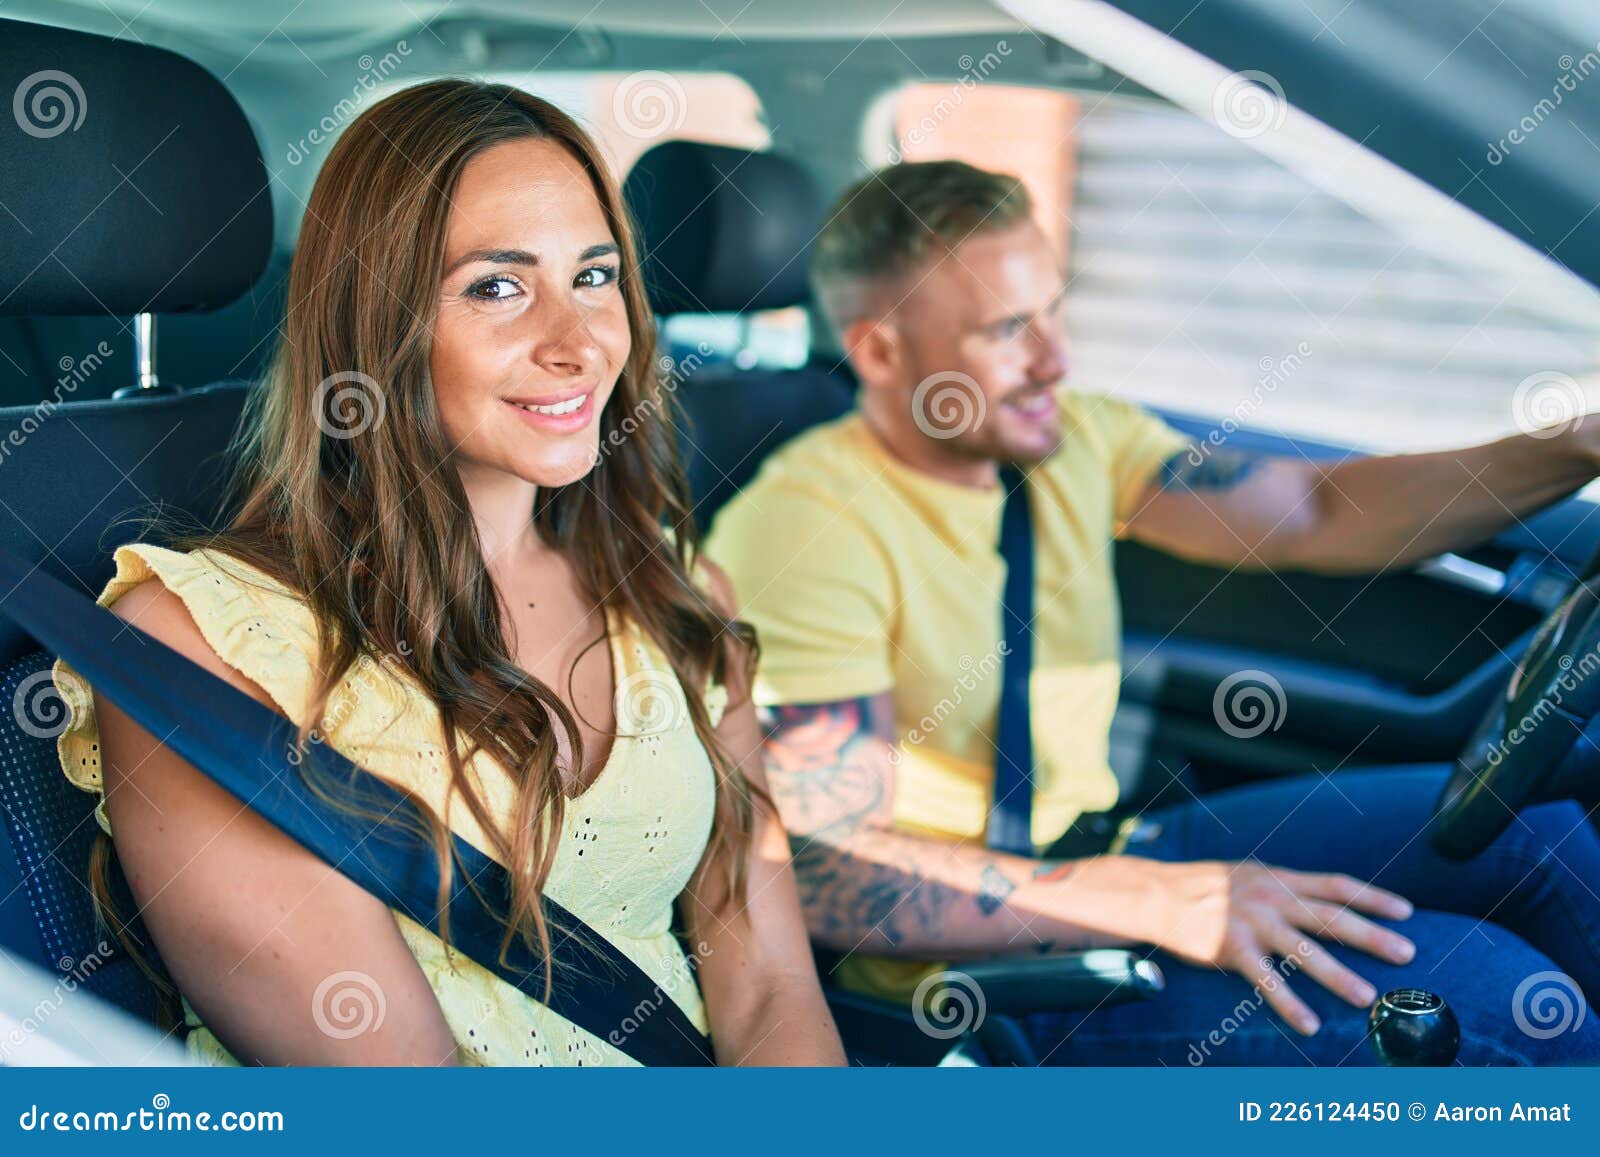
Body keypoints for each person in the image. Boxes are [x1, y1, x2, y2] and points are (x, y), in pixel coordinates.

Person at [706, 159, 1600, 1065]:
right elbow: (823, 871)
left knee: (1541, 830)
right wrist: (1149, 901)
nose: (1054, 358)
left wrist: (1577, 443)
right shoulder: (804, 531)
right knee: (1492, 1000)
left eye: (1053, 309)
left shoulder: (1075, 436)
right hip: (977, 974)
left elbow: (1313, 509)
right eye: (1008, 329)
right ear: (882, 353)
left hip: (1115, 849)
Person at [51, 80, 843, 1068]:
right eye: (497, 286)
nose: (578, 342)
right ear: (373, 322)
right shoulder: (199, 647)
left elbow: (768, 981)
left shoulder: (675, 590)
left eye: (594, 276)